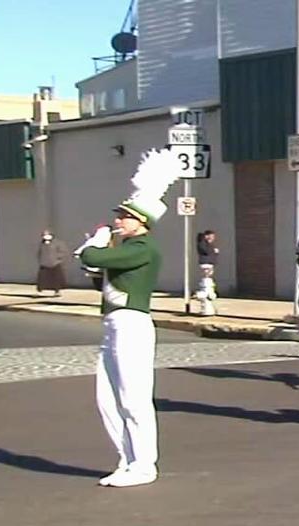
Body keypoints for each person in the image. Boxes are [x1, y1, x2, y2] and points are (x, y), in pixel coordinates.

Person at [73, 149, 179, 487]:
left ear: (141, 222)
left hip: (132, 324)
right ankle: (126, 459)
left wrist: (95, 247)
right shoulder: (125, 249)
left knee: (133, 396)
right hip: (113, 324)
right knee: (108, 397)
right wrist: (95, 255)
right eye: (120, 215)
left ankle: (144, 464)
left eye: (125, 216)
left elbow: (93, 257)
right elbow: (96, 269)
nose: (119, 220)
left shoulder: (142, 248)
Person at [36, 230, 69, 296]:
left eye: (47, 235)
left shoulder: (58, 243)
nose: (46, 236)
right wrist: (41, 260)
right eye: (44, 235)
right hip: (44, 263)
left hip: (55, 263)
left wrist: (58, 259)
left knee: (56, 278)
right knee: (42, 278)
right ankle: (40, 290)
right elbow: (39, 253)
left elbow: (63, 252)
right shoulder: (42, 243)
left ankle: (57, 291)